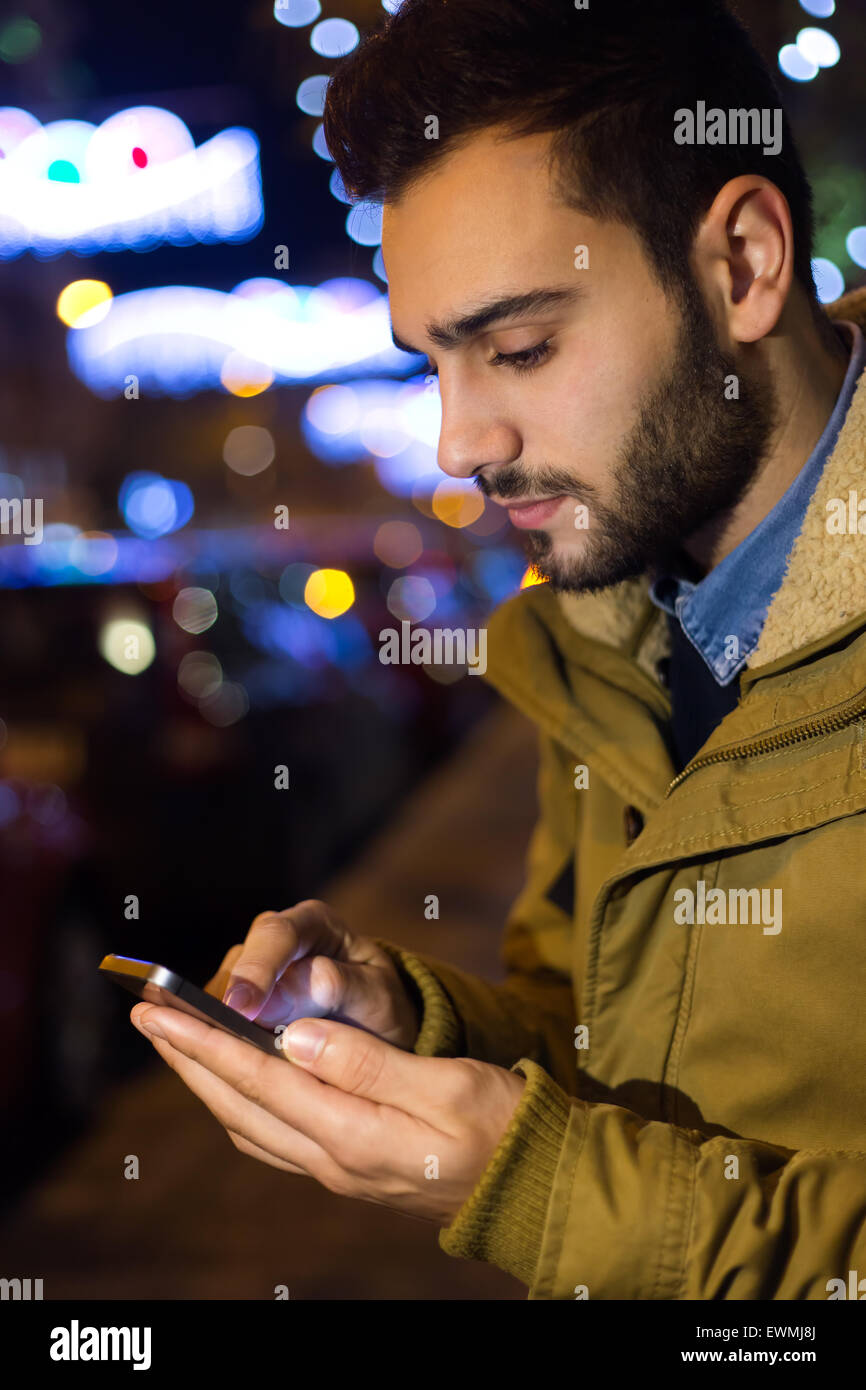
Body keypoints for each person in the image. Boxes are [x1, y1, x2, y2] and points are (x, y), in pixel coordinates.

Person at [131, 0, 866, 1299]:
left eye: (519, 347)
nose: (457, 444)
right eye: (432, 364)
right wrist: (409, 1028)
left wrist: (529, 1187)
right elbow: (606, 1033)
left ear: (745, 263)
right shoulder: (604, 624)